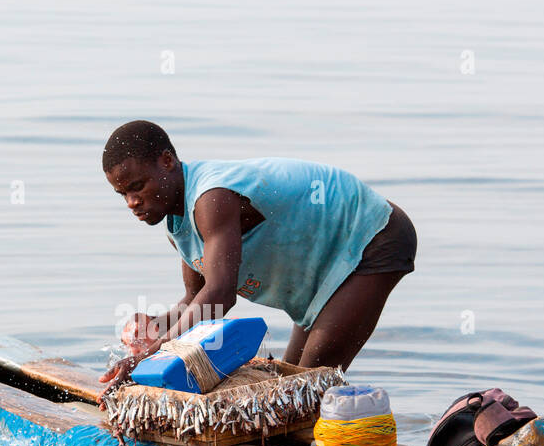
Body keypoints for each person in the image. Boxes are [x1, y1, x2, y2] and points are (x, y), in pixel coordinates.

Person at [98, 120, 417, 395]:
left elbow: (221, 295)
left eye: (137, 187)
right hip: (327, 271)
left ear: (167, 161)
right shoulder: (177, 225)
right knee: (284, 384)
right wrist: (154, 325)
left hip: (372, 236)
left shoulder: (212, 199)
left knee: (303, 388)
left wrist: (153, 353)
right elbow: (197, 297)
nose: (131, 202)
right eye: (122, 193)